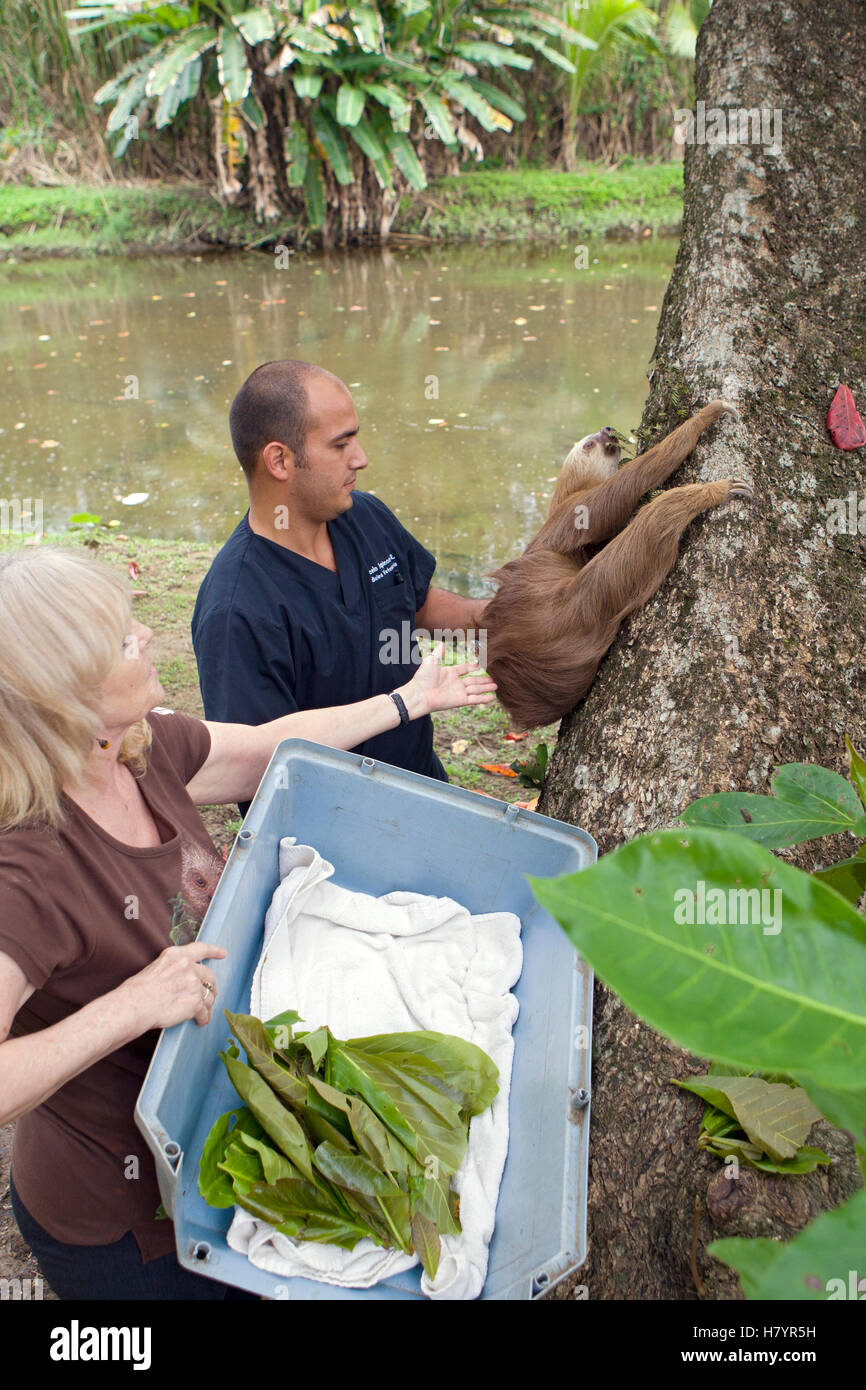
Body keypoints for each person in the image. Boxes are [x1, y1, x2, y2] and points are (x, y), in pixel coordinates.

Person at [0, 547, 495, 1300]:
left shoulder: (137, 748)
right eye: (124, 638)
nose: (146, 632)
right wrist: (129, 1006)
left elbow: (271, 751)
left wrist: (409, 700)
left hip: (207, 1137)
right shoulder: (27, 869)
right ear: (68, 692)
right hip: (121, 1222)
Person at [192, 360, 487, 810]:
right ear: (280, 460)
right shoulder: (238, 609)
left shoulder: (364, 516)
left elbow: (419, 603)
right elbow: (256, 768)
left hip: (426, 788)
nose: (361, 458)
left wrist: (500, 618)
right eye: (341, 444)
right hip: (331, 835)